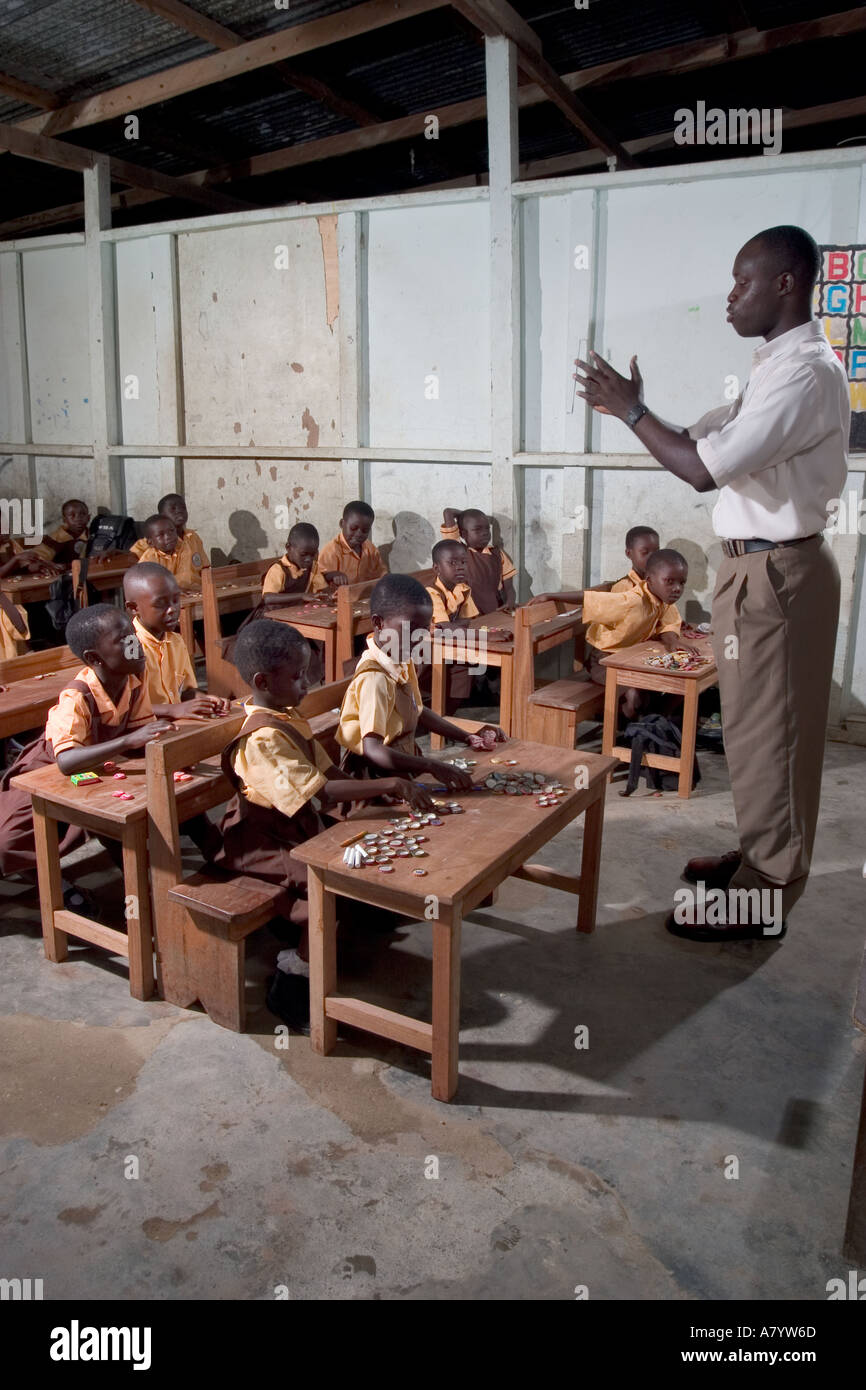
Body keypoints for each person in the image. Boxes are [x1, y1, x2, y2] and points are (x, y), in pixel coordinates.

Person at [574, 224, 848, 941]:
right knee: (760, 730)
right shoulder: (775, 368)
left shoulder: (803, 375)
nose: (730, 297)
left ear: (786, 283)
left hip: (778, 573)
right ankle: (763, 855)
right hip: (761, 569)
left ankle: (768, 890)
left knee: (773, 733)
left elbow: (700, 470)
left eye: (742, 282)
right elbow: (698, 445)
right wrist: (635, 409)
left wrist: (630, 411)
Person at [215, 619, 436, 1031]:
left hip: (294, 826)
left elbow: (329, 773)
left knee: (369, 842)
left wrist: (378, 793)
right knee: (327, 883)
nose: (306, 686)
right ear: (263, 680)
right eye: (299, 678)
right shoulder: (262, 739)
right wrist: (392, 781)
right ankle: (292, 987)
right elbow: (317, 795)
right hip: (260, 842)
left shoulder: (287, 714)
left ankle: (355, 923)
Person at [0, 605, 172, 906]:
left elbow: (138, 732)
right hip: (47, 773)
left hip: (94, 770)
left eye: (134, 633)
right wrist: (130, 740)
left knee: (119, 820)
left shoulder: (133, 681)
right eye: (124, 639)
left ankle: (147, 898)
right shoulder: (76, 695)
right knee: (8, 843)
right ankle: (52, 885)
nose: (136, 643)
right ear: (95, 658)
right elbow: (66, 761)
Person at [336, 573, 505, 786]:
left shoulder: (400, 657)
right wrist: (431, 765)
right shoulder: (374, 678)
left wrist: (468, 736)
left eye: (423, 631)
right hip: (377, 777)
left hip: (404, 762)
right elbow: (373, 750)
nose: (416, 640)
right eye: (407, 630)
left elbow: (418, 710)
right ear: (378, 623)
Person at [536, 550, 696, 720]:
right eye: (669, 582)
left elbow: (669, 624)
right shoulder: (631, 601)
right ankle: (627, 727)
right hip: (603, 661)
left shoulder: (662, 600)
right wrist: (550, 595)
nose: (677, 589)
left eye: (682, 583)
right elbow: (591, 599)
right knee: (635, 694)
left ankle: (652, 723)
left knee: (679, 686)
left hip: (629, 657)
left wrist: (672, 642)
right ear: (649, 580)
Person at [440, 507, 516, 613]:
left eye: (487, 528)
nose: (484, 533)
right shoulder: (459, 552)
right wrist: (464, 515)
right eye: (477, 529)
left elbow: (509, 587)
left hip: (494, 611)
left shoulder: (498, 554)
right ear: (463, 534)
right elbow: (448, 512)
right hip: (467, 613)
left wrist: (510, 601)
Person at [131, 494, 207, 582]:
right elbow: (133, 562)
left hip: (197, 589)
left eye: (183, 508)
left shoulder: (192, 536)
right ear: (162, 515)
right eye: (173, 509)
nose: (179, 511)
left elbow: (205, 566)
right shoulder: (150, 544)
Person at [318, 501, 387, 586]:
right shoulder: (331, 551)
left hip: (366, 596)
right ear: (342, 524)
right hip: (340, 598)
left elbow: (382, 574)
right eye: (353, 528)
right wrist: (333, 575)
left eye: (365, 530)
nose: (359, 534)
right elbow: (318, 579)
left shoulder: (371, 549)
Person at [261, 523, 328, 606]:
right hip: (271, 615)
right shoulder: (278, 569)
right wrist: (301, 596)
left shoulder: (312, 567)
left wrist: (330, 595)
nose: (309, 559)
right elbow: (268, 598)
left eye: (313, 554)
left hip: (293, 613)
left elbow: (322, 588)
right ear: (288, 547)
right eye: (303, 554)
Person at [136, 514, 201, 588]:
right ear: (151, 543)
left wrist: (164, 583)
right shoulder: (149, 559)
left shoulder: (184, 548)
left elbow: (186, 577)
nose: (168, 536)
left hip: (184, 592)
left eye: (171, 531)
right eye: (161, 535)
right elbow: (150, 585)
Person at [35, 499, 91, 566]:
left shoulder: (93, 535)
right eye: (72, 515)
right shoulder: (55, 539)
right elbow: (38, 557)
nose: (78, 518)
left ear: (88, 518)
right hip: (62, 573)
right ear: (64, 519)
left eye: (82, 514)